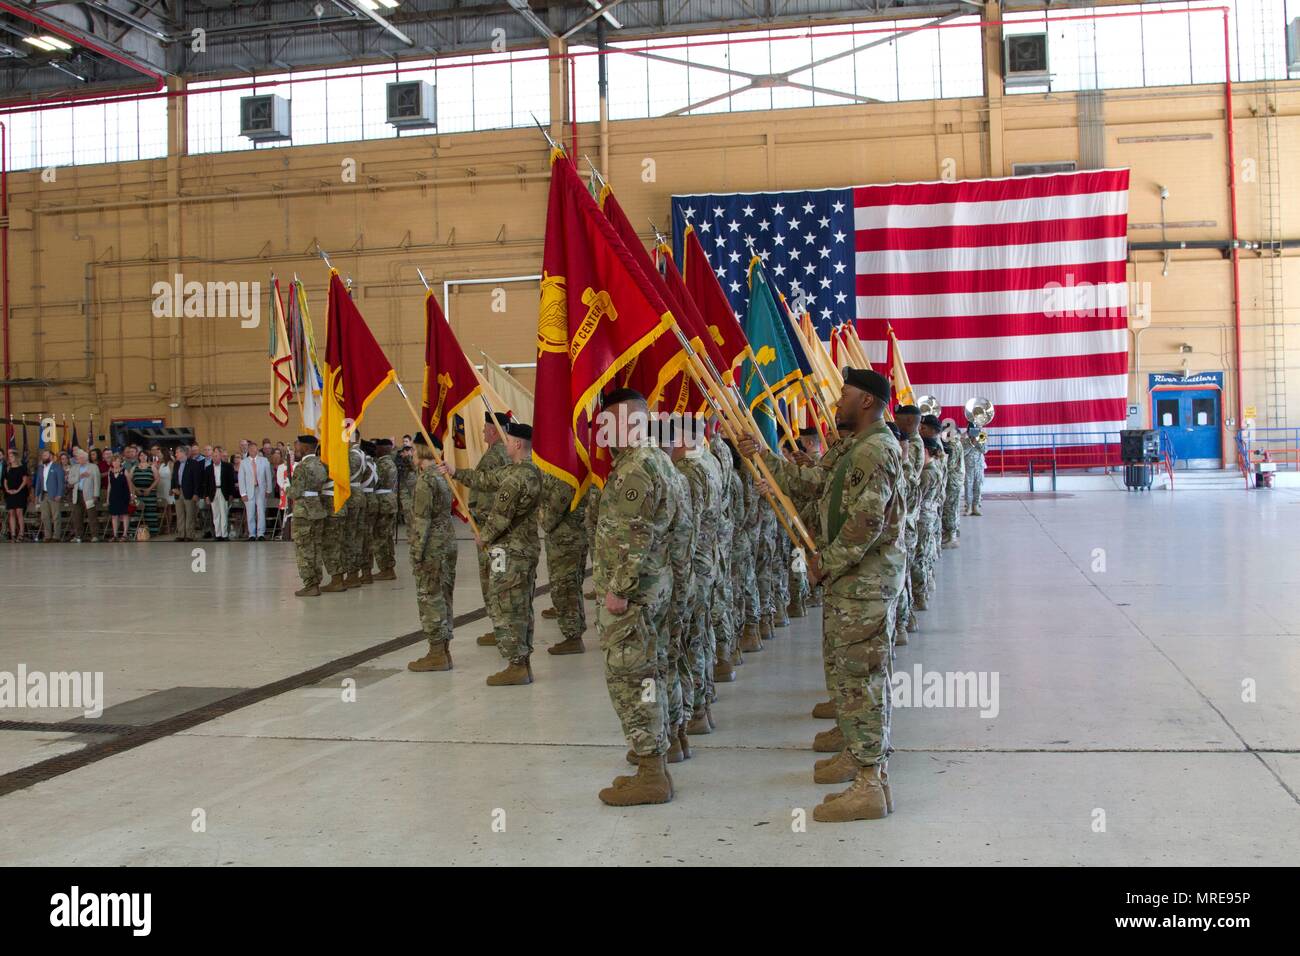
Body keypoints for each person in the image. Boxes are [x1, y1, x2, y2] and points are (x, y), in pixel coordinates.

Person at [745, 368, 905, 822]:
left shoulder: (876, 450)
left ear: (868, 402)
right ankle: (859, 760)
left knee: (863, 683)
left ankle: (871, 782)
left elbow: (866, 523)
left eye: (846, 393)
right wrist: (764, 459)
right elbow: (813, 483)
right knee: (847, 676)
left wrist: (825, 562)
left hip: (864, 583)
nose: (839, 400)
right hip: (849, 582)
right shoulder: (855, 447)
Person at [590, 388, 679, 806]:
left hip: (635, 596)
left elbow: (633, 533)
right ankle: (653, 762)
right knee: (650, 674)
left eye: (606, 423)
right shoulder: (657, 459)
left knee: (630, 678)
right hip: (655, 587)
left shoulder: (637, 468)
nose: (601, 432)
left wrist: (619, 590)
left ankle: (651, 771)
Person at [440, 421, 541, 686]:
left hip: (510, 552)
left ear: (517, 444)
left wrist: (482, 537)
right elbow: (485, 479)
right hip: (526, 548)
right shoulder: (528, 470)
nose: (505, 443)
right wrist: (455, 472)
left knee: (508, 607)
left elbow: (500, 517)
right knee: (522, 607)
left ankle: (516, 665)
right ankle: (523, 661)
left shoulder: (515, 479)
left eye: (508, 440)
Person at [454, 412, 512, 645]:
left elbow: (482, 482)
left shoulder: (494, 456)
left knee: (492, 578)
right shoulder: (505, 453)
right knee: (501, 576)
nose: (482, 432)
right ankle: (503, 626)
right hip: (498, 526)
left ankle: (502, 629)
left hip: (490, 527)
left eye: (485, 428)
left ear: (494, 430)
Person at [407, 434, 458, 672]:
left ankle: (437, 652)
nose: (411, 455)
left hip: (432, 547)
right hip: (447, 542)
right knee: (443, 595)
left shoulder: (425, 480)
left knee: (430, 596)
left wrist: (416, 553)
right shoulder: (441, 476)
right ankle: (444, 649)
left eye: (414, 451)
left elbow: (421, 520)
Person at [537, 470, 589, 655]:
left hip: (566, 540)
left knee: (565, 587)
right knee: (569, 586)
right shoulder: (568, 466)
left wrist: (539, 514)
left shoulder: (567, 472)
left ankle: (573, 636)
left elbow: (550, 517)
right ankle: (570, 623)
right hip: (570, 537)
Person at [286, 435, 327, 596]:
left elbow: (295, 492)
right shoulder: (321, 464)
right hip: (317, 507)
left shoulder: (302, 467)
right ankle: (316, 581)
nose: (297, 448)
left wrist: (286, 488)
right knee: (316, 548)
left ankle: (310, 584)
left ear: (306, 447)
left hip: (304, 511)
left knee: (304, 548)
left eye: (299, 445)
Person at [370, 438, 399, 581]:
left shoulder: (381, 464)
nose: (376, 451)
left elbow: (375, 482)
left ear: (382, 449)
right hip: (391, 500)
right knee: (387, 537)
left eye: (377, 448)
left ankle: (385, 569)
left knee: (380, 537)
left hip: (383, 502)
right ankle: (389, 567)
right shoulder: (392, 462)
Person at [238, 445, 272, 541]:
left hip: (261, 490)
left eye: (255, 449)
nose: (253, 451)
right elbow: (241, 479)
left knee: (261, 512)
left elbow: (268, 476)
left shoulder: (264, 460)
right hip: (249, 491)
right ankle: (252, 534)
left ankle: (261, 533)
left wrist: (268, 490)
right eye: (251, 449)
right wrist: (243, 493)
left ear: (257, 450)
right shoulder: (244, 462)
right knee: (250, 512)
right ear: (248, 450)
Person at [203, 447, 237, 540]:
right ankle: (218, 534)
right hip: (213, 493)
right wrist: (206, 496)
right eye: (213, 456)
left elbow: (231, 481)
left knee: (224, 513)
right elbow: (206, 483)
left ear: (220, 456)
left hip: (224, 492)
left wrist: (231, 494)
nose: (214, 458)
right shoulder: (208, 468)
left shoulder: (228, 466)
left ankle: (224, 534)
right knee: (216, 514)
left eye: (216, 456)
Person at [68, 449, 100, 543]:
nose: (78, 459)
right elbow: (70, 481)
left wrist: (96, 495)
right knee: (77, 516)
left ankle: (95, 535)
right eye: (77, 457)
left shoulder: (93, 467)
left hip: (89, 495)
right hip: (77, 494)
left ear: (85, 458)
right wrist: (80, 476)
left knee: (91, 516)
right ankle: (78, 535)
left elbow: (97, 482)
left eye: (80, 457)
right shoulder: (74, 467)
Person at [172, 445, 202, 542]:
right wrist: (173, 488)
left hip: (189, 492)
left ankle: (190, 535)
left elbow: (197, 480)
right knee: (180, 513)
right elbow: (173, 477)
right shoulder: (176, 464)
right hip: (178, 491)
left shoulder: (194, 463)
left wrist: (196, 493)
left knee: (190, 514)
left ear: (183, 453)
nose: (176, 454)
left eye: (177, 452)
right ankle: (181, 534)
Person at [35, 447, 65, 542]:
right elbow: (38, 482)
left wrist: (59, 494)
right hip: (44, 495)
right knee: (45, 516)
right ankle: (47, 536)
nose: (43, 457)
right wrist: (37, 494)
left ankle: (56, 536)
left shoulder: (57, 467)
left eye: (45, 455)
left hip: (54, 494)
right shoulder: (40, 468)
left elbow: (61, 482)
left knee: (56, 516)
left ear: (51, 457)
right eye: (42, 456)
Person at [4, 449, 29, 541]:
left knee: (19, 513)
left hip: (20, 493)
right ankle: (13, 534)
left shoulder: (22, 468)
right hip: (10, 493)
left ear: (15, 457)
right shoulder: (7, 468)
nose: (9, 458)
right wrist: (7, 490)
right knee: (11, 513)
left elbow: (25, 481)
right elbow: (5, 481)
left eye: (11, 456)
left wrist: (17, 490)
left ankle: (21, 533)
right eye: (9, 456)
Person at [963, 421, 987, 516]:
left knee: (978, 487)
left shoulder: (981, 436)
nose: (972, 433)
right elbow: (962, 453)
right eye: (970, 431)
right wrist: (971, 443)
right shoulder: (964, 439)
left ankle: (975, 507)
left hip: (979, 467)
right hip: (968, 467)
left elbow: (984, 450)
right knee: (968, 487)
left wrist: (978, 441)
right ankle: (968, 507)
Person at [106, 456, 132, 541]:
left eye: (117, 461)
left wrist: (131, 495)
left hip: (124, 495)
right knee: (114, 515)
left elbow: (129, 484)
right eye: (114, 461)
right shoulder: (110, 472)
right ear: (112, 463)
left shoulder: (124, 471)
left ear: (120, 462)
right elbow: (109, 486)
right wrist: (107, 498)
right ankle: (115, 534)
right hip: (114, 495)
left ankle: (125, 534)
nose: (116, 463)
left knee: (124, 514)